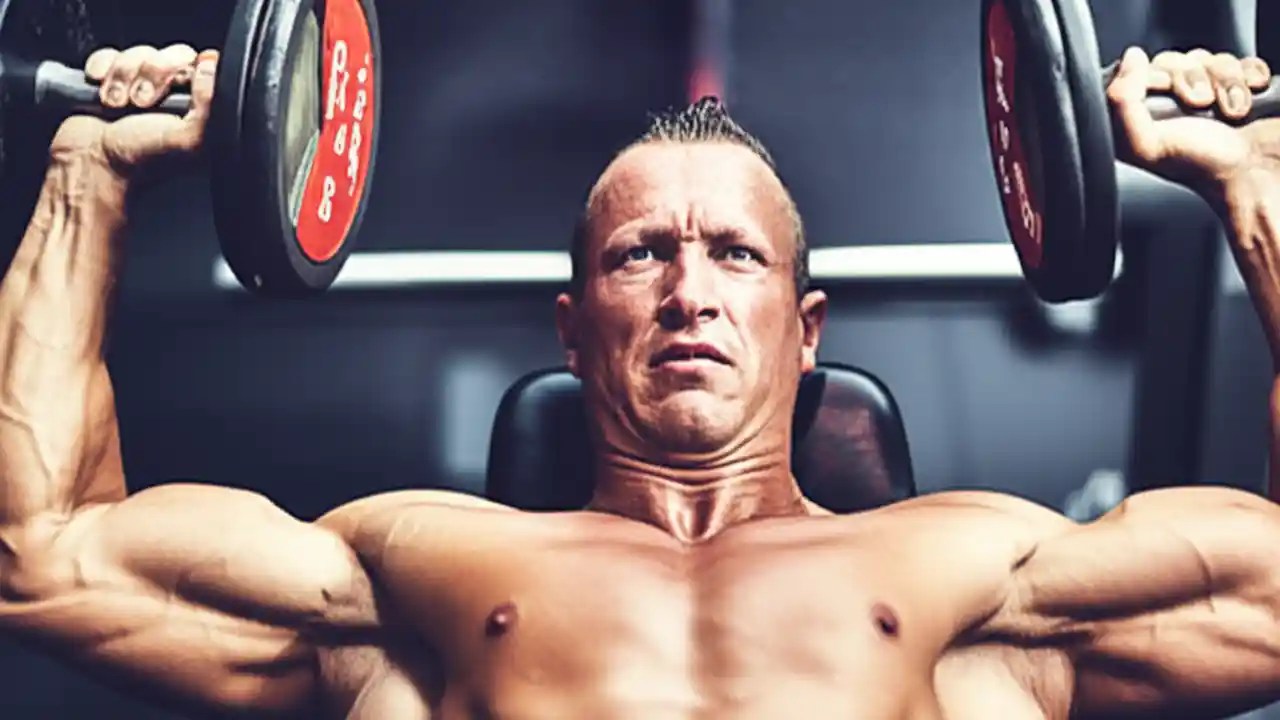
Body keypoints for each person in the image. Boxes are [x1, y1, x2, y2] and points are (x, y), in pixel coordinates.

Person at [1, 41, 1279, 720]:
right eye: (638, 254)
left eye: (734, 254)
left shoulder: (979, 574)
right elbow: (42, 554)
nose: (688, 289)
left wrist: (1252, 182)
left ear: (804, 327)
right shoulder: (419, 572)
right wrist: (91, 178)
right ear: (570, 328)